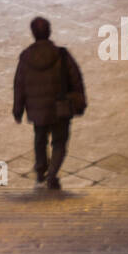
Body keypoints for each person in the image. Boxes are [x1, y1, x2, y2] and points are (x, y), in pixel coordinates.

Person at [12, 16, 86, 189]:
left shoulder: (25, 58)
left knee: (40, 140)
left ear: (33, 34)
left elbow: (19, 86)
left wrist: (18, 109)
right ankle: (52, 174)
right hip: (60, 109)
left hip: (38, 110)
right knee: (59, 142)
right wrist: (80, 101)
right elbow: (76, 79)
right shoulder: (62, 55)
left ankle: (40, 171)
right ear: (49, 32)